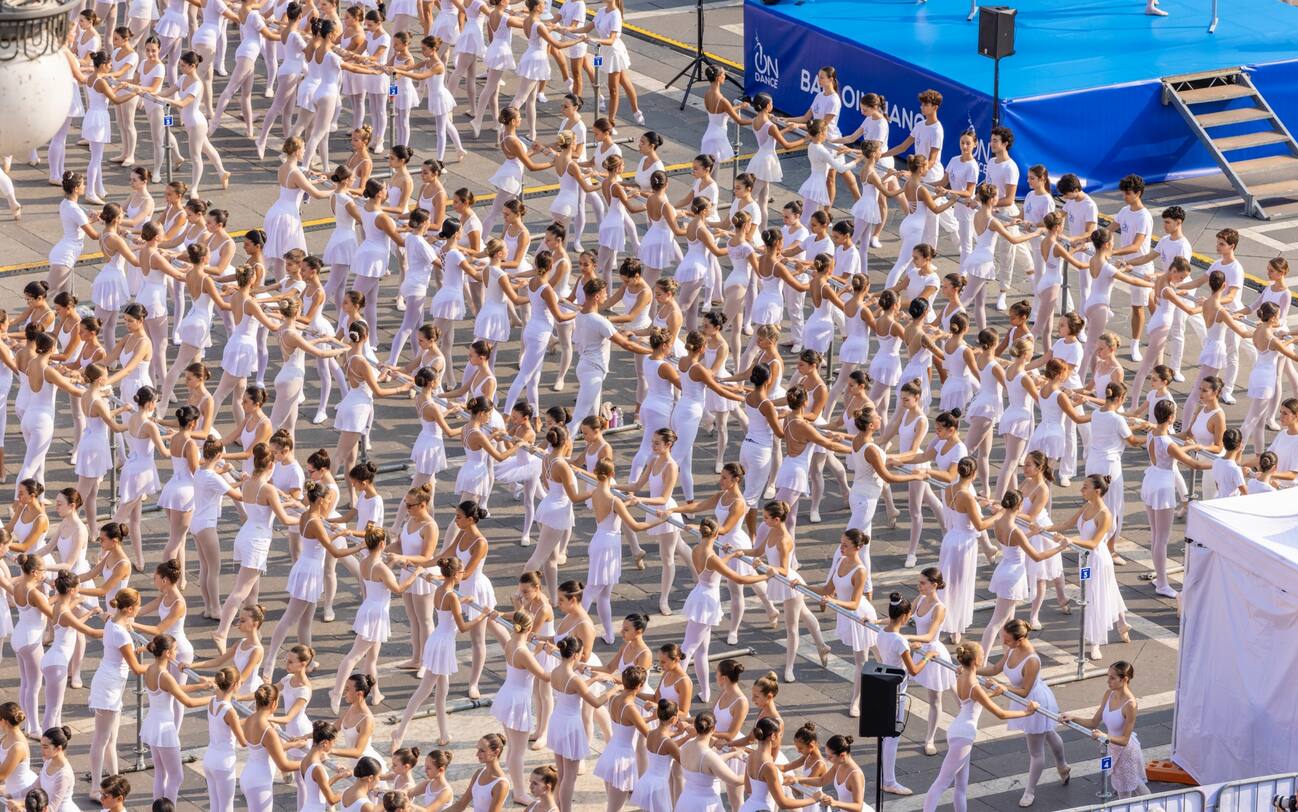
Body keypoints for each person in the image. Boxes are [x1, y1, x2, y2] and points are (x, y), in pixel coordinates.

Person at [921, 641, 1037, 812]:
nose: (984, 657)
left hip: (958, 730)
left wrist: (992, 693)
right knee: (942, 783)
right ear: (975, 660)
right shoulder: (974, 684)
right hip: (964, 735)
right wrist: (1027, 712)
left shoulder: (962, 676)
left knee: (961, 786)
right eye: (982, 655)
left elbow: (973, 702)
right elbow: (1001, 714)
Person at [1063, 662, 1152, 798]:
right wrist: (1073, 717)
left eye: (1112, 678)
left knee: (1125, 790)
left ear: (1124, 679)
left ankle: (1154, 806)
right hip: (1112, 748)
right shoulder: (1109, 694)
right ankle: (1156, 806)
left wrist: (1105, 737)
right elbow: (1093, 722)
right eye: (1108, 676)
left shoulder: (1130, 704)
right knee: (1134, 784)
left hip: (1125, 752)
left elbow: (1124, 740)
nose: (1108, 681)